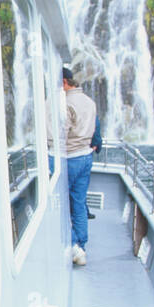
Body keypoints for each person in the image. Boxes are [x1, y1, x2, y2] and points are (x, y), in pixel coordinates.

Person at [62, 66, 96, 266]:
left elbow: (62, 133)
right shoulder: (89, 102)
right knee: (79, 203)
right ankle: (82, 244)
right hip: (86, 157)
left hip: (71, 157)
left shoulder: (67, 103)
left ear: (64, 83)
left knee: (64, 204)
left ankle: (74, 245)